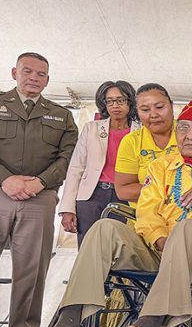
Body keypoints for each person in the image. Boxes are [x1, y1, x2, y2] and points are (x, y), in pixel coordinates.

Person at [2, 102, 192, 327]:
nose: (190, 135)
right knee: (104, 228)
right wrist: (159, 238)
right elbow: (146, 211)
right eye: (184, 128)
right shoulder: (161, 166)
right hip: (159, 246)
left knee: (187, 227)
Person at [0, 52, 78, 327]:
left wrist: (41, 183)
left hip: (39, 196)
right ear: (14, 73)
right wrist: (4, 179)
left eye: (41, 74)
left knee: (32, 268)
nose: (34, 78)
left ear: (47, 79)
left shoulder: (62, 115)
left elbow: (68, 156)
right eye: (28, 71)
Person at [58, 81, 138, 246]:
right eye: (110, 101)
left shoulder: (142, 131)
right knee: (88, 248)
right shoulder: (91, 128)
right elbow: (76, 168)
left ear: (130, 102)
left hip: (126, 196)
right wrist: (67, 209)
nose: (115, 105)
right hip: (91, 197)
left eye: (120, 100)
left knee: (120, 249)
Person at [114, 83, 177, 203]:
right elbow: (123, 190)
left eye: (159, 107)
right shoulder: (131, 141)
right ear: (137, 112)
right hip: (144, 216)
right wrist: (167, 190)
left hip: (188, 214)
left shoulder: (191, 134)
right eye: (145, 110)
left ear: (172, 106)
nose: (153, 115)